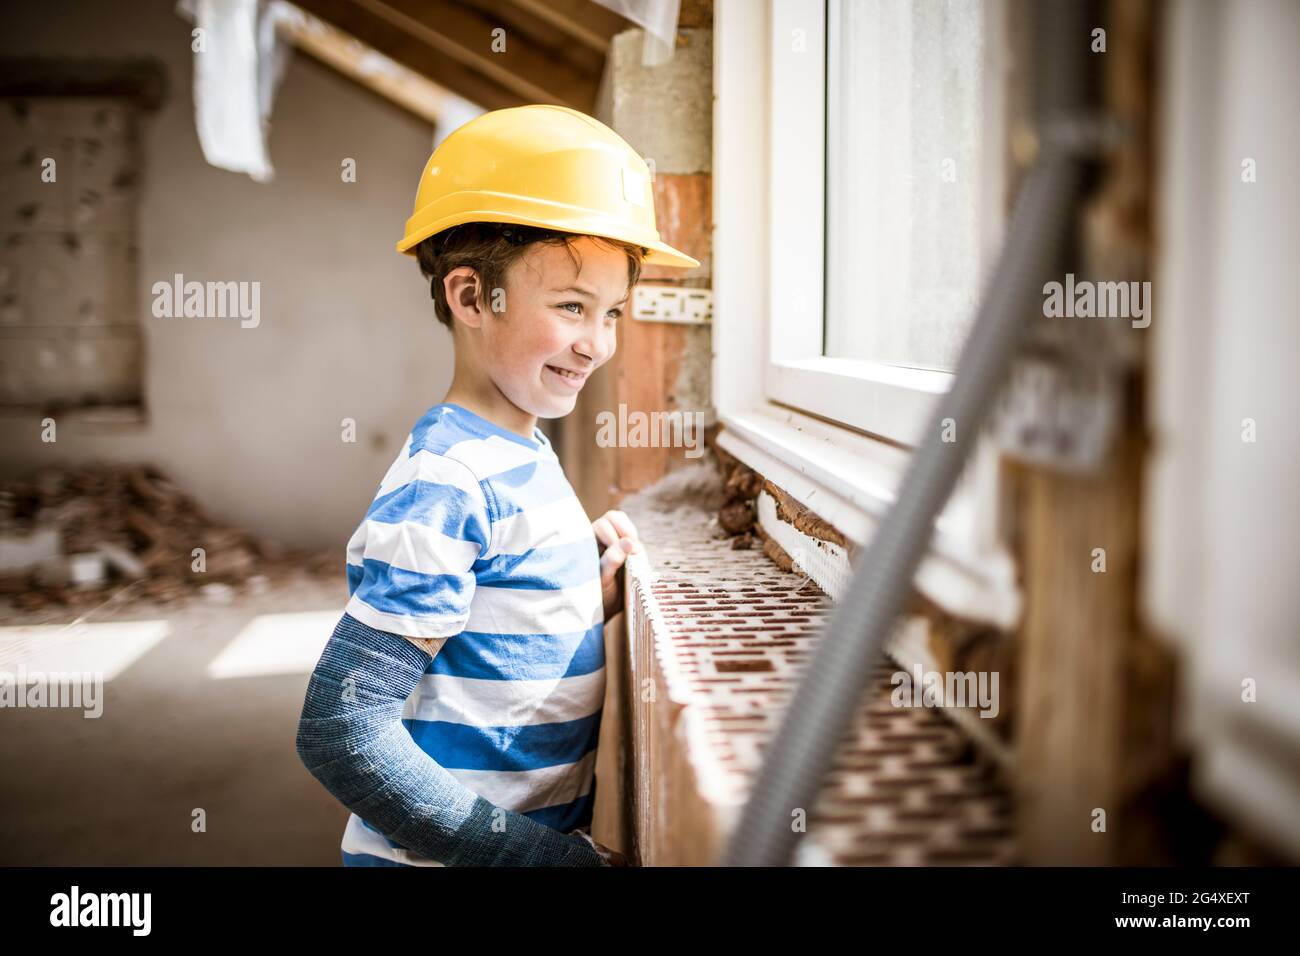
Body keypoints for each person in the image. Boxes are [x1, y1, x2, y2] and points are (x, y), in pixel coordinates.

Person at [295, 104, 699, 866]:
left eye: (612, 313)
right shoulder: (445, 480)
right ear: (472, 298)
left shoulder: (522, 450)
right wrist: (533, 860)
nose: (598, 343)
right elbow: (341, 730)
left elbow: (480, 619)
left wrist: (581, 589)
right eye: (572, 307)